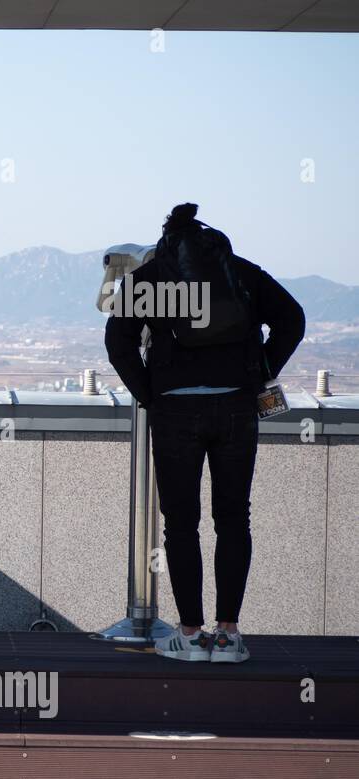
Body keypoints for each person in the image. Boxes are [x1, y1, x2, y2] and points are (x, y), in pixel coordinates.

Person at [105, 203, 305, 663]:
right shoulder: (240, 272)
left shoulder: (150, 279)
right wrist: (261, 370)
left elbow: (118, 342)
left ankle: (191, 636)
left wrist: (150, 392)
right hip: (237, 404)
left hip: (175, 410)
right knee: (234, 518)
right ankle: (229, 635)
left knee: (182, 524)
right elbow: (292, 319)